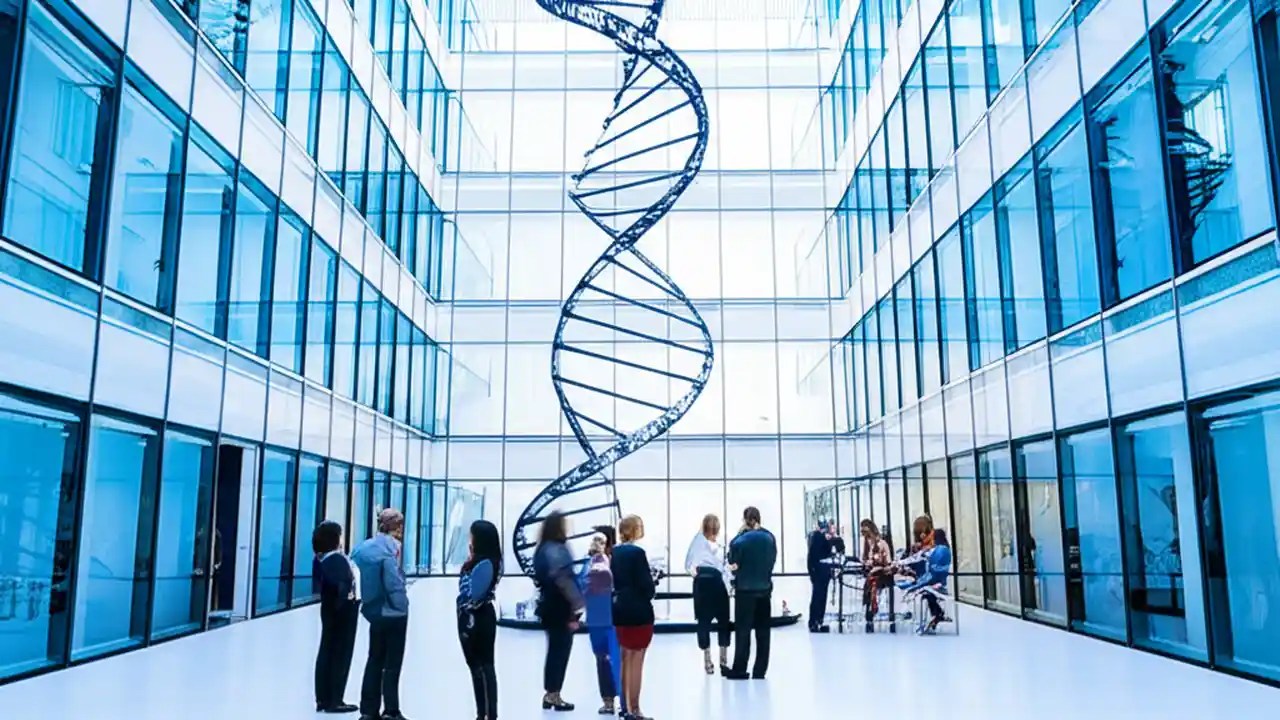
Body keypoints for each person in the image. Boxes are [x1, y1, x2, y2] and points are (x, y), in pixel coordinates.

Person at [352, 509, 411, 720]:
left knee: (374, 659)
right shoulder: (392, 549)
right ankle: (391, 711)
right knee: (393, 663)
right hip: (394, 612)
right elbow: (393, 583)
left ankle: (368, 710)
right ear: (396, 526)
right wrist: (402, 604)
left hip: (374, 610)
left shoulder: (364, 548)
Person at [533, 511, 584, 712]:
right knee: (561, 651)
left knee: (553, 650)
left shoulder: (542, 549)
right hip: (560, 607)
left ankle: (550, 693)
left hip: (547, 606)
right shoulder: (557, 549)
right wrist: (577, 602)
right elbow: (564, 579)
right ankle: (554, 694)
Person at [724, 506, 777, 680]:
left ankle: (740, 669)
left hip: (745, 591)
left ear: (746, 520)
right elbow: (772, 560)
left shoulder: (740, 540)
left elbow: (732, 560)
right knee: (763, 631)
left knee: (743, 631)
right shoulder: (770, 537)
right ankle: (760, 670)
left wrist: (740, 534)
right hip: (764, 590)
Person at [612, 515, 656, 720]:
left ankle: (625, 707)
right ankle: (635, 709)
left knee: (624, 658)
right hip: (638, 611)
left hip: (620, 609)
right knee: (637, 659)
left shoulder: (615, 552)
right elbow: (646, 586)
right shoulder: (638, 553)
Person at [313, 520, 359, 714]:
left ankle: (323, 698)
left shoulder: (321, 560)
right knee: (341, 653)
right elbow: (343, 586)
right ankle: (335, 699)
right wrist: (346, 603)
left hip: (329, 609)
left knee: (327, 649)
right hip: (343, 611)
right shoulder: (338, 560)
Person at [458, 520, 502, 720]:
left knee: (481, 666)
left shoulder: (484, 565)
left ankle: (486, 714)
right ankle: (484, 713)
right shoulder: (487, 561)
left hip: (476, 618)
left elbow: (474, 593)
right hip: (478, 615)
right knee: (480, 666)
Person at [579, 533, 622, 715]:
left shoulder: (587, 565)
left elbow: (581, 588)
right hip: (610, 617)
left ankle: (608, 701)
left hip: (596, 618)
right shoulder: (609, 563)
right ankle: (620, 699)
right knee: (614, 658)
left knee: (602, 659)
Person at [684, 513, 730, 673]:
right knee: (723, 621)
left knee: (703, 622)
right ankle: (723, 661)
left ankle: (707, 661)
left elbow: (688, 564)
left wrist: (697, 575)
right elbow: (725, 568)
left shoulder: (696, 542)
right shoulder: (720, 546)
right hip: (717, 583)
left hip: (702, 585)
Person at [898, 528, 952, 635]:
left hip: (932, 580)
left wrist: (900, 562)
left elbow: (916, 558)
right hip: (940, 582)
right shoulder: (946, 549)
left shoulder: (935, 550)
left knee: (919, 590)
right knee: (928, 593)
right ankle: (937, 613)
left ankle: (937, 614)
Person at [859, 518, 892, 634]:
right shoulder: (867, 545)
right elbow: (865, 559)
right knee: (869, 582)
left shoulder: (882, 544)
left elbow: (888, 562)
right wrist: (866, 563)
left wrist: (877, 564)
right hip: (872, 573)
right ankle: (870, 610)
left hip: (882, 574)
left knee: (872, 582)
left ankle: (871, 610)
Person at [806, 520, 837, 633]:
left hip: (823, 571)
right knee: (818, 596)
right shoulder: (818, 537)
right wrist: (812, 571)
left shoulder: (823, 537)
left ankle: (818, 621)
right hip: (819, 571)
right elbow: (812, 555)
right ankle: (815, 621)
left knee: (821, 596)